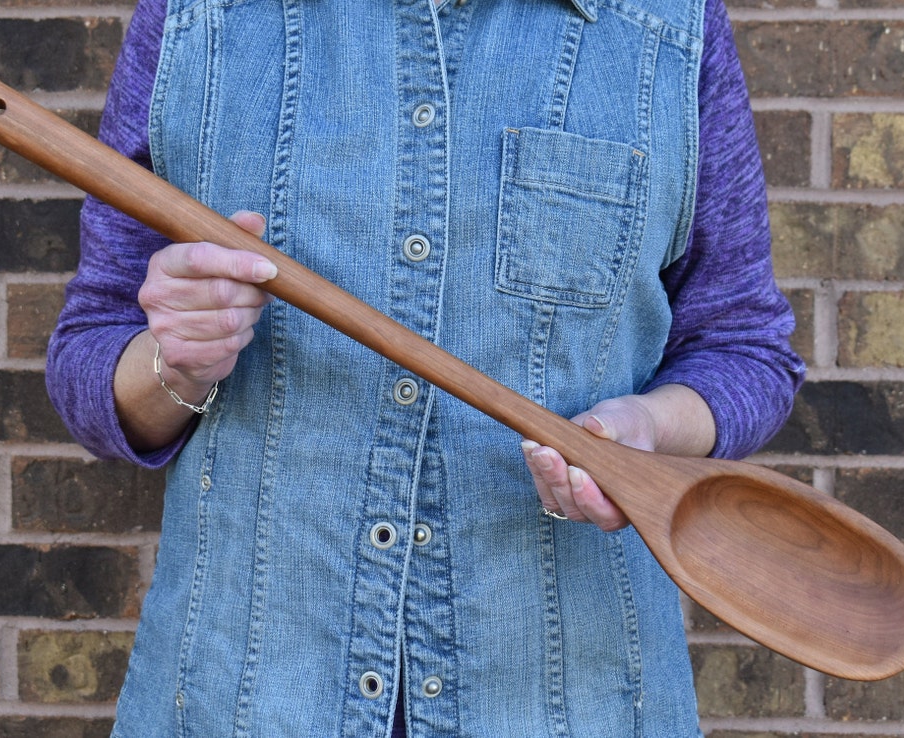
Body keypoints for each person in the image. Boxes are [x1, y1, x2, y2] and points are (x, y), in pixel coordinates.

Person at [47, 0, 805, 731]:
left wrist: (647, 430)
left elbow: (745, 347)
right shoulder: (200, 16)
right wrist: (177, 365)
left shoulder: (666, 23)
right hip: (240, 703)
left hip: (574, 706)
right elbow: (90, 356)